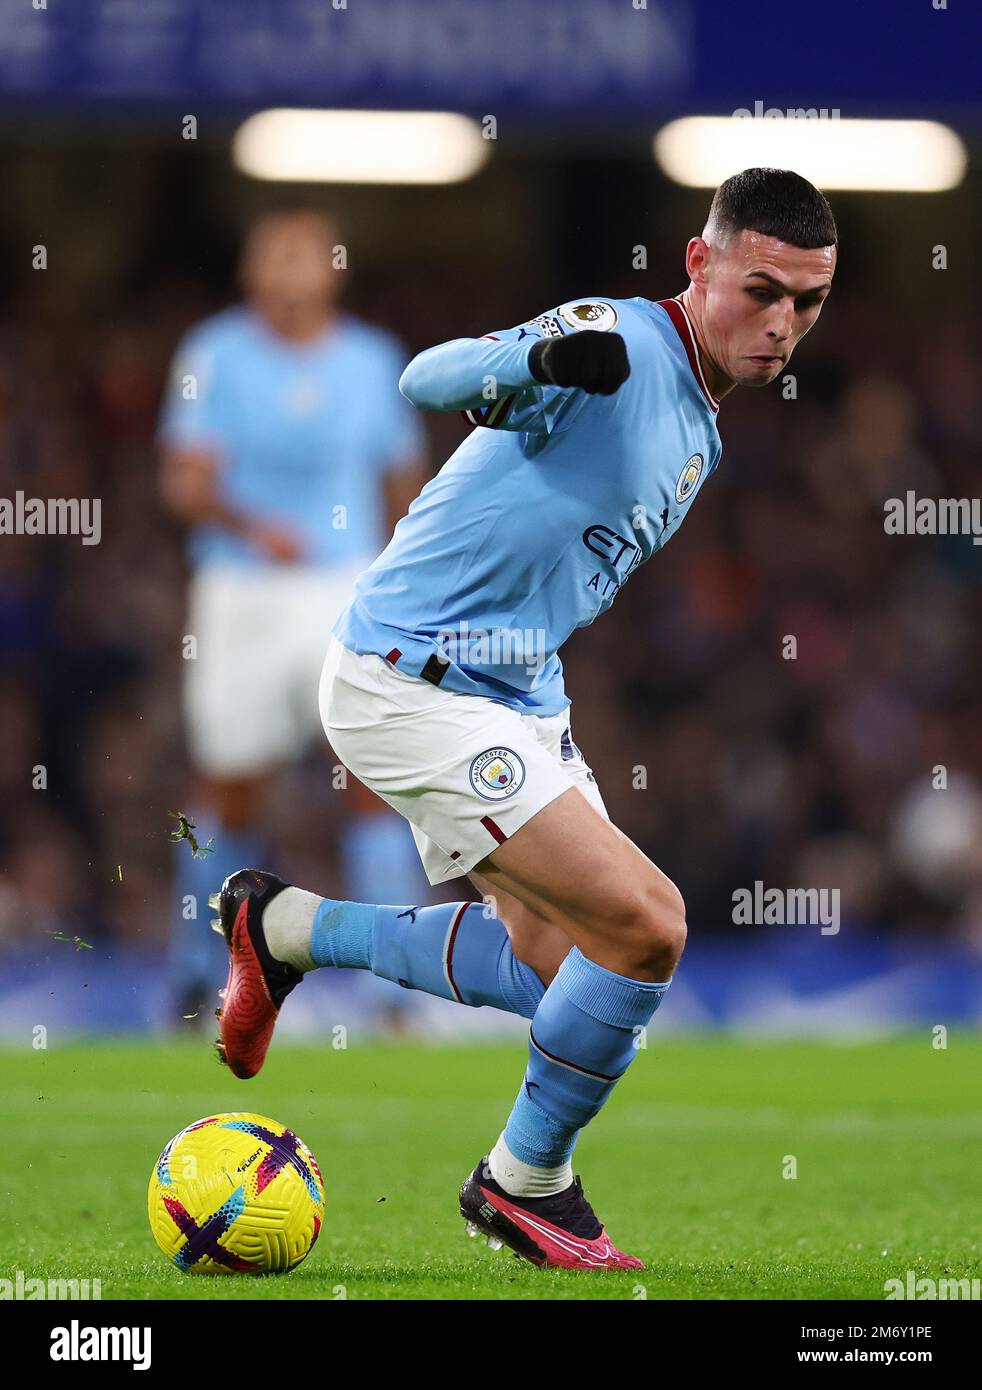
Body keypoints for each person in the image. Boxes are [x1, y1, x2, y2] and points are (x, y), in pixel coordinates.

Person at [211, 169, 837, 1269]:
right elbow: (426, 374)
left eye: (807, 301)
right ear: (698, 264)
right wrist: (537, 359)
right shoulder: (620, 343)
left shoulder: (704, 425)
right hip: (413, 679)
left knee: (569, 975)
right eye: (760, 288)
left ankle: (283, 928)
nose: (781, 322)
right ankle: (523, 1181)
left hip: (513, 694)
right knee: (648, 925)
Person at [159, 208, 428, 1020]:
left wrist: (410, 583)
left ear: (332, 269)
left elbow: (403, 486)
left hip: (345, 585)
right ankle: (194, 981)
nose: (286, 272)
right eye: (271, 256)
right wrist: (251, 526)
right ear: (249, 272)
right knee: (231, 790)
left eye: (302, 256)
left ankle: (401, 996)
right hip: (241, 591)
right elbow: (185, 482)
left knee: (373, 783)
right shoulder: (213, 354)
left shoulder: (373, 360)